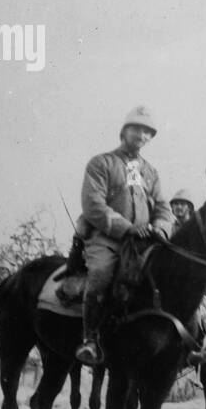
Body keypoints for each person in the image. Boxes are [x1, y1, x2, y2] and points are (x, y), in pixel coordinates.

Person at [74, 107, 174, 366]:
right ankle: (90, 339)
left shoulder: (151, 173)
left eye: (147, 132)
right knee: (101, 274)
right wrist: (127, 227)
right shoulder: (101, 163)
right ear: (124, 131)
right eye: (137, 128)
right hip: (106, 239)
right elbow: (93, 204)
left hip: (142, 243)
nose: (142, 135)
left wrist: (159, 229)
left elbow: (164, 208)